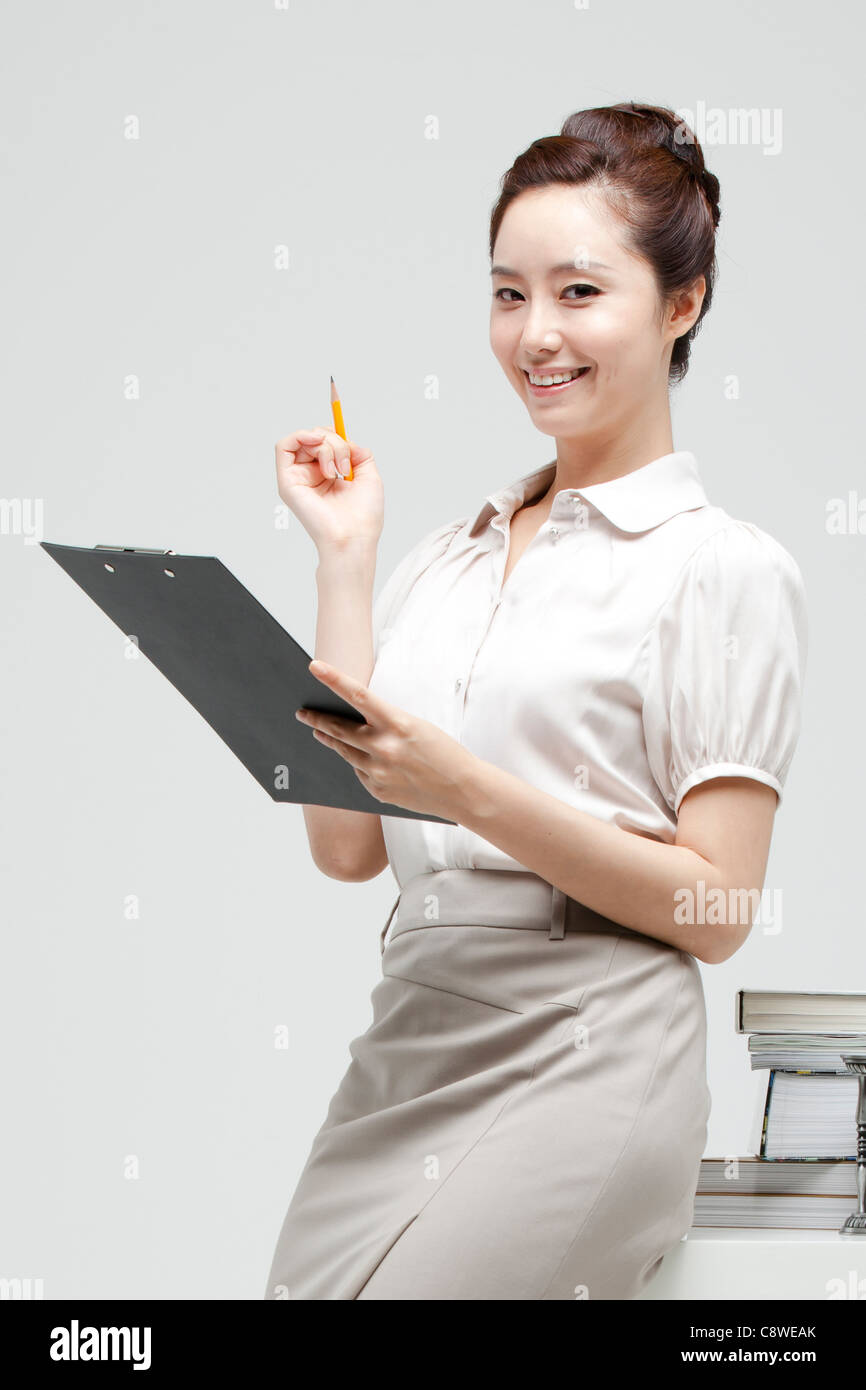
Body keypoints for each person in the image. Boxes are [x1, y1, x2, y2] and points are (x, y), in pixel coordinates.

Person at [264, 101, 808, 1300]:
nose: (532, 334)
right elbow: (347, 846)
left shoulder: (719, 568)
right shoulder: (443, 561)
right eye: (507, 294)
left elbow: (716, 908)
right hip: (411, 1038)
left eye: (576, 292)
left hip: (588, 1050)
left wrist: (463, 787)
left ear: (681, 302)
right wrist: (346, 560)